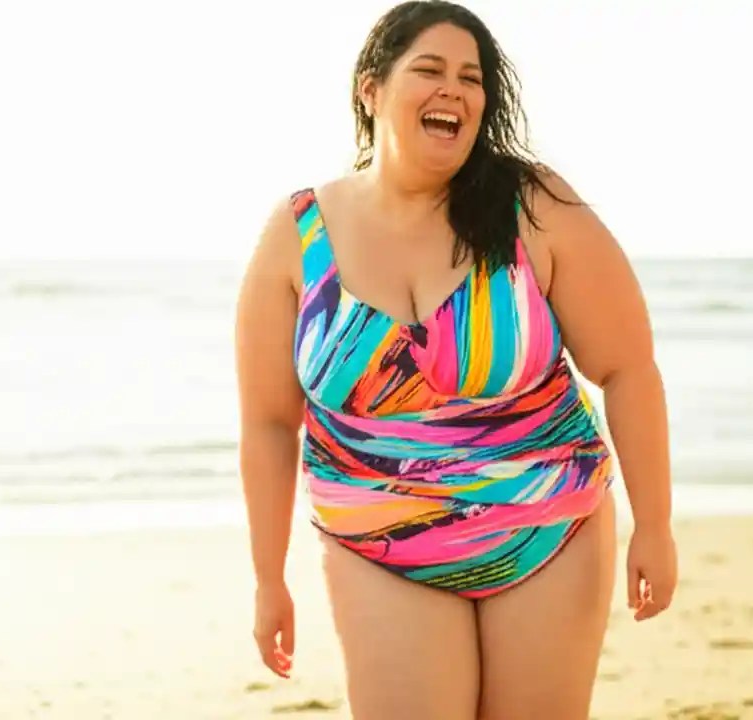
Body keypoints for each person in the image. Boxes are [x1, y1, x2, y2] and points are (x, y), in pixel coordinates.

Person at [234, 1, 677, 717]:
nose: (456, 91)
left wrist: (655, 525)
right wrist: (267, 578)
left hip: (545, 521)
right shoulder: (298, 233)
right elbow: (265, 422)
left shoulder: (532, 205)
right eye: (430, 70)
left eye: (472, 79)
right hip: (379, 539)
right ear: (370, 89)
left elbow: (628, 366)